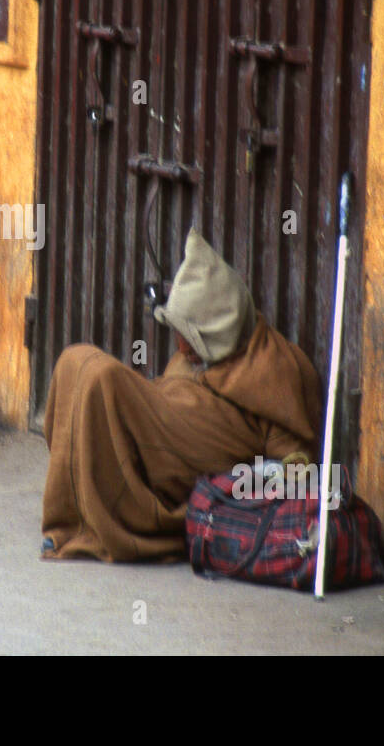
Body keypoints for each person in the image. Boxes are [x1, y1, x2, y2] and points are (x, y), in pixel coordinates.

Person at [39, 228, 325, 562]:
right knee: (75, 362)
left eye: (191, 338)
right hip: (164, 425)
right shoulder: (194, 356)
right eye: (178, 334)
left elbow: (295, 463)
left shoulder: (275, 367)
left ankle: (92, 521)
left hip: (198, 452)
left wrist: (258, 478)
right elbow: (170, 397)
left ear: (220, 330)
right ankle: (73, 511)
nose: (182, 347)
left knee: (100, 376)